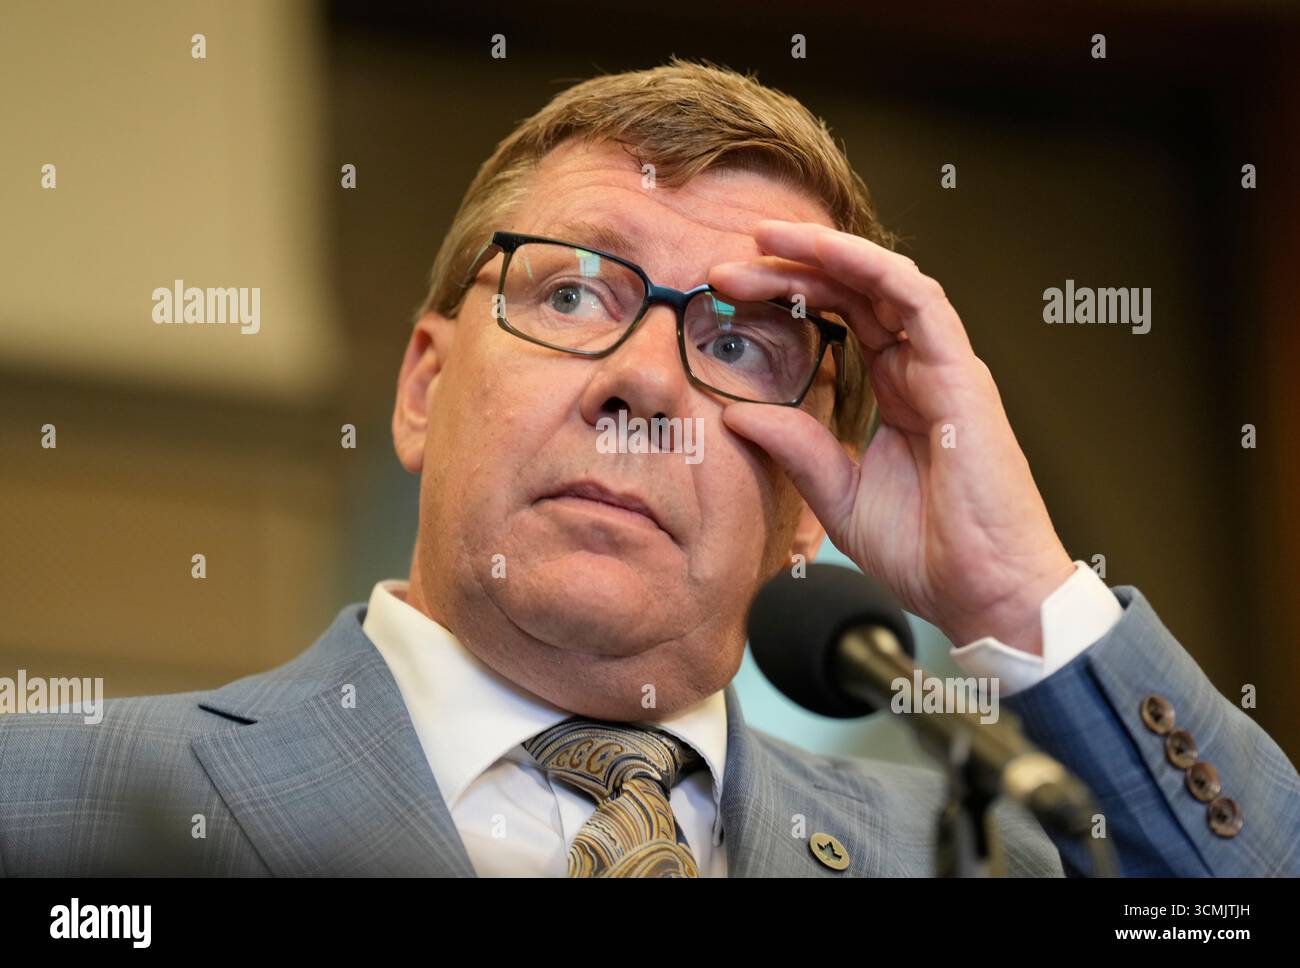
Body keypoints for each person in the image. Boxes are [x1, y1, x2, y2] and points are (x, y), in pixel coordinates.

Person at [1, 58, 1296, 878]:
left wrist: (1021, 597)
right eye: (571, 292)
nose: (648, 383)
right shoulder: (50, 801)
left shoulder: (991, 857)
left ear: (809, 509)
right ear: (424, 385)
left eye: (738, 340)